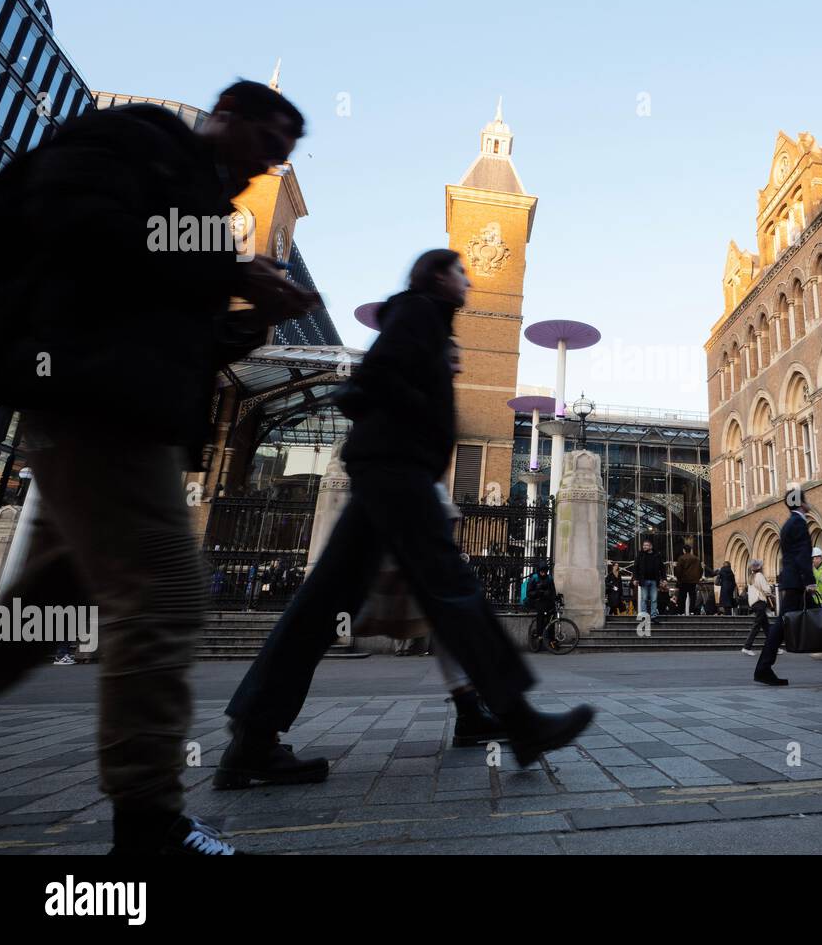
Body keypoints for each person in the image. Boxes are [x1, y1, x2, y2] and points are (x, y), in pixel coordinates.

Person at [0, 80, 321, 856]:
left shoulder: (207, 211)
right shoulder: (142, 140)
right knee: (166, 595)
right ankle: (148, 821)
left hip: (128, 410)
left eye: (286, 154)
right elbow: (83, 229)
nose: (271, 161)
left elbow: (190, 342)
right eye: (269, 142)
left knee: (41, 618)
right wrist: (231, 273)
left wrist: (253, 319)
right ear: (227, 117)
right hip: (88, 396)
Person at [218, 249, 594, 789]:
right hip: (398, 471)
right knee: (453, 590)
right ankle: (520, 718)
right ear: (440, 277)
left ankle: (252, 736)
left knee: (322, 604)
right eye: (461, 272)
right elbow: (369, 384)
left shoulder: (424, 320)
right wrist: (418, 415)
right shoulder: (417, 311)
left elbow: (376, 381)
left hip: (389, 471)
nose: (468, 280)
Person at [753, 489, 822, 686]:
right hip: (798, 584)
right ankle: (763, 668)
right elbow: (801, 555)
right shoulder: (797, 522)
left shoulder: (790, 523)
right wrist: (808, 582)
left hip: (794, 582)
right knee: (786, 626)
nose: (807, 503)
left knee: (819, 623)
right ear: (800, 503)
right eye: (804, 500)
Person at [741, 560, 775, 655]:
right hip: (759, 602)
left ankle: (773, 647)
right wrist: (770, 591)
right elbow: (766, 589)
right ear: (759, 568)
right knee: (757, 626)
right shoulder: (759, 576)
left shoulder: (751, 577)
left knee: (766, 627)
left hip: (754, 603)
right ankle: (747, 647)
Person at [633, 540, 664, 618]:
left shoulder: (657, 555)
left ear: (651, 546)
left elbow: (662, 568)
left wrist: (664, 579)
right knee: (644, 598)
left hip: (654, 580)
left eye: (646, 545)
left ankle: (653, 615)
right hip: (644, 580)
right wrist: (635, 578)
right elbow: (635, 568)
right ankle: (644, 615)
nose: (644, 547)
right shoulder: (640, 555)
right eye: (644, 545)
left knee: (654, 599)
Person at [673, 545, 703, 615]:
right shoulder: (696, 559)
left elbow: (678, 570)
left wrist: (678, 578)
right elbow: (700, 570)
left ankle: (681, 611)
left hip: (683, 581)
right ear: (690, 550)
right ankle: (692, 611)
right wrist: (697, 578)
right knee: (692, 596)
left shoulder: (681, 558)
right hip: (693, 581)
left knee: (682, 596)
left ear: (684, 550)